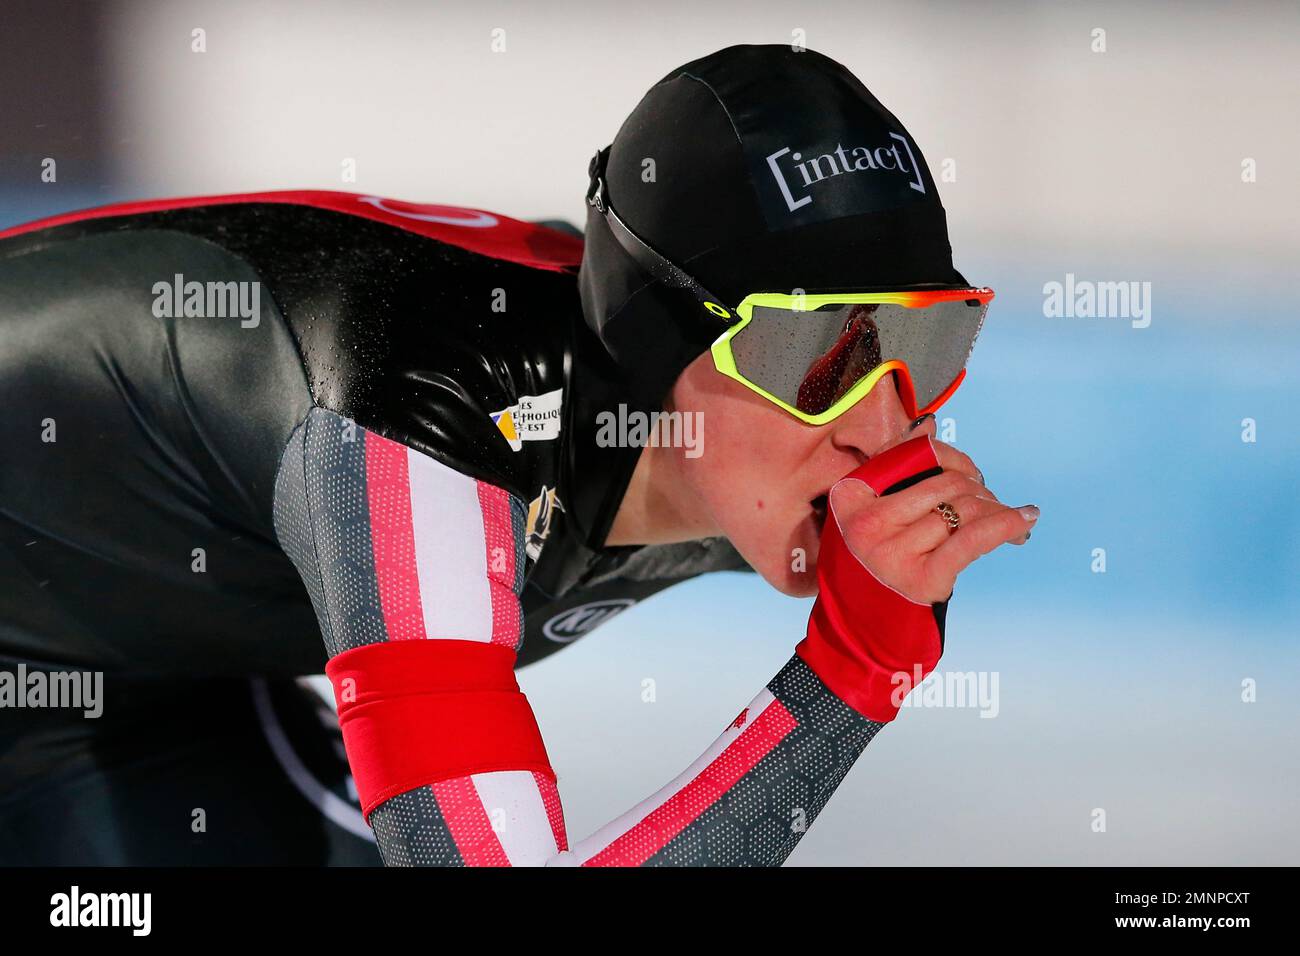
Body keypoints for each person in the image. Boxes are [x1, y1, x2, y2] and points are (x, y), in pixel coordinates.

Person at [0, 44, 1035, 866]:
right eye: (815, 348)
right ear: (658, 341)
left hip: (134, 665)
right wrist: (847, 676)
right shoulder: (417, 420)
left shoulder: (737, 445)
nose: (882, 420)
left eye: (922, 338)